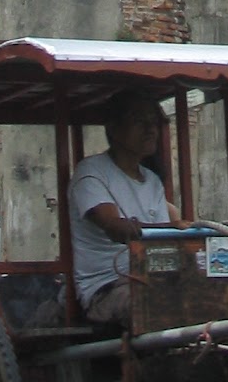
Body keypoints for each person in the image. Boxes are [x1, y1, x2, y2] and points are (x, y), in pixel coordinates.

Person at [69, 90, 184, 325]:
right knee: (163, 302)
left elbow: (167, 233)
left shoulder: (151, 180)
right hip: (108, 288)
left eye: (153, 121)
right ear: (113, 128)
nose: (150, 129)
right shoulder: (91, 172)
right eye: (139, 121)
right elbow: (112, 225)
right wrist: (171, 229)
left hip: (153, 278)